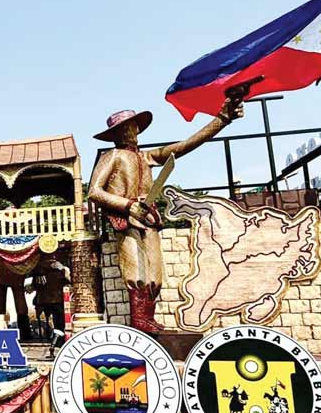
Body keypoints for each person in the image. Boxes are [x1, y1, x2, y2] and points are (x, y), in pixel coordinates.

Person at [87, 98, 244, 333]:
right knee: (136, 271)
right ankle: (140, 320)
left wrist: (221, 120)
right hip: (126, 219)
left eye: (134, 125)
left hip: (149, 219)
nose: (133, 131)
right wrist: (128, 205)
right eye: (128, 126)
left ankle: (148, 318)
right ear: (118, 133)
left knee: (155, 274)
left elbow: (183, 146)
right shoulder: (112, 156)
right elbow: (94, 191)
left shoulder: (146, 157)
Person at [32, 255, 70, 334]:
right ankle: (58, 336)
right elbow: (67, 281)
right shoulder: (60, 269)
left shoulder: (38, 269)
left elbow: (36, 285)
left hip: (43, 300)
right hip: (57, 299)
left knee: (54, 316)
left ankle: (52, 334)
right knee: (59, 319)